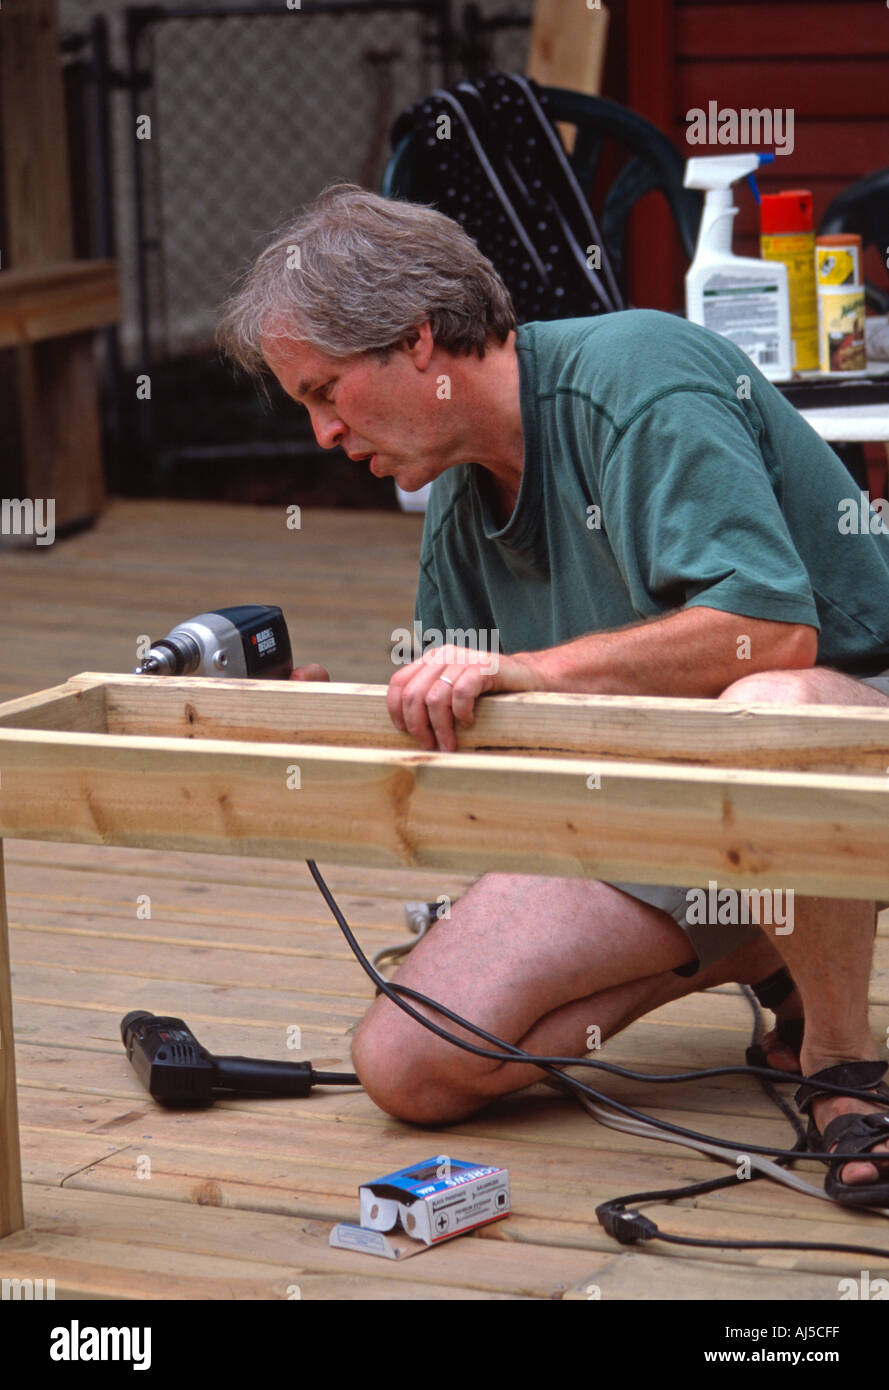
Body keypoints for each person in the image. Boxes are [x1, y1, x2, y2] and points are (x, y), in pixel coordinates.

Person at [219, 183, 889, 1206]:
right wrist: (333, 717)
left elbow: (771, 631)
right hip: (663, 785)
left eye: (323, 391)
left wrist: (534, 671)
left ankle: (839, 1061)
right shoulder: (456, 493)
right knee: (411, 1063)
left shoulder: (636, 372)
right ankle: (760, 934)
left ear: (416, 340)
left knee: (779, 704)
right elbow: (482, 731)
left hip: (839, 748)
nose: (319, 434)